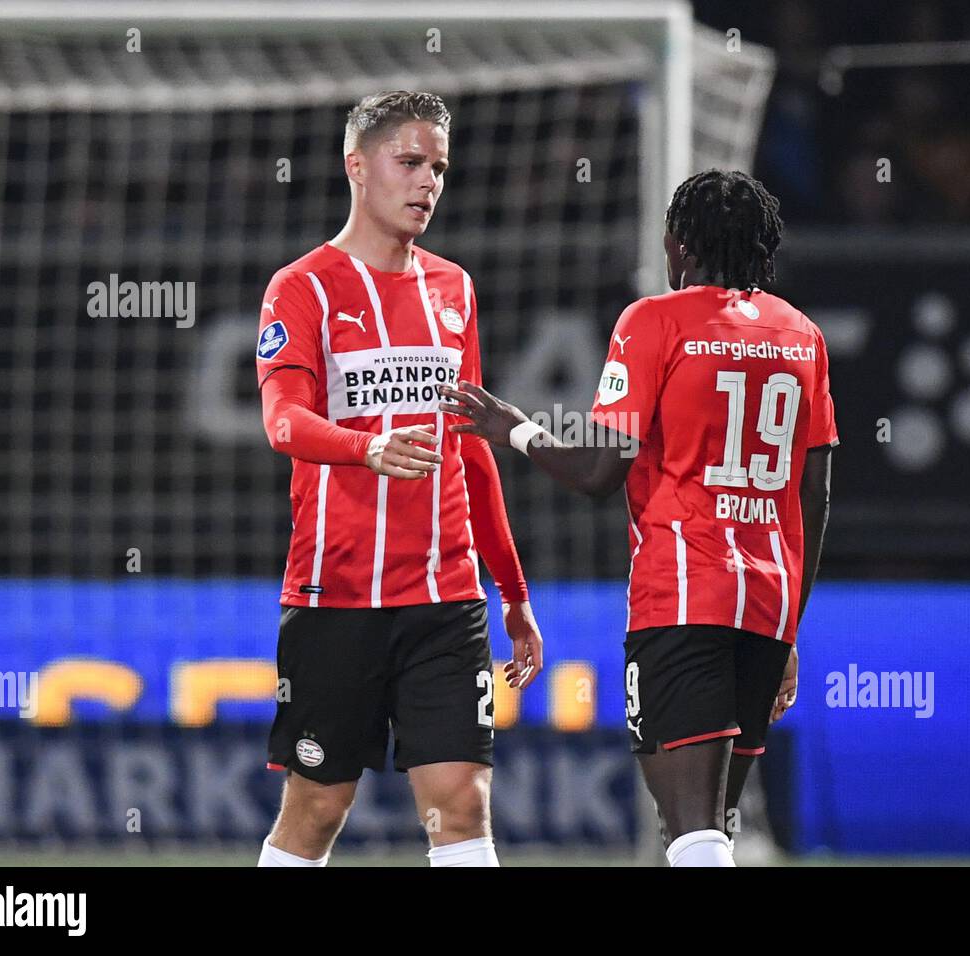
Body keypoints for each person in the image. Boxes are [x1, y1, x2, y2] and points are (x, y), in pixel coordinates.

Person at [440, 169, 836, 867]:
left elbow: (598, 473)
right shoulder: (801, 335)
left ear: (680, 242)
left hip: (683, 598)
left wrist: (516, 431)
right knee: (711, 826)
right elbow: (814, 496)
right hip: (768, 607)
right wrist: (791, 631)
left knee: (691, 831)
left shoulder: (652, 322)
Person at [254, 91, 543, 868]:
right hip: (334, 596)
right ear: (357, 166)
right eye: (410, 162)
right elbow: (283, 423)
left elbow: (474, 448)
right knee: (316, 809)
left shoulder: (455, 290)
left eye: (439, 168)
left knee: (461, 807)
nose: (428, 184)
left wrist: (511, 594)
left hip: (446, 601)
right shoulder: (303, 288)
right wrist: (367, 448)